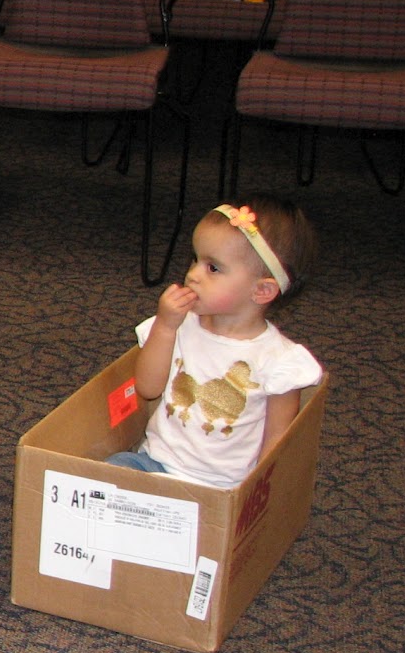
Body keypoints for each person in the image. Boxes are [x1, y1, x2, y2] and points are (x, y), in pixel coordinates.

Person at [109, 196, 322, 488]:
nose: (193, 275)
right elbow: (147, 388)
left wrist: (253, 494)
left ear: (261, 291)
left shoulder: (277, 359)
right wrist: (166, 327)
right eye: (195, 259)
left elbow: (277, 438)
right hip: (155, 462)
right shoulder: (181, 324)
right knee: (106, 473)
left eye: (213, 268)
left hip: (222, 487)